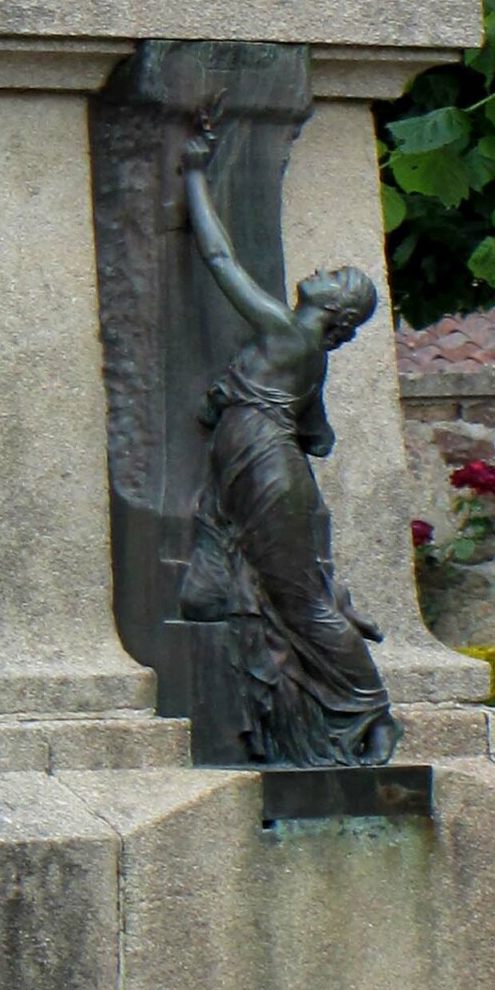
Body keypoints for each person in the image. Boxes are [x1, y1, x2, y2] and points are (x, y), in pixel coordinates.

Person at [180, 117, 400, 768]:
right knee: (280, 596)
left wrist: (193, 174)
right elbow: (321, 436)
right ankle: (322, 710)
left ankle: (372, 711)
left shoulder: (286, 330)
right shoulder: (307, 353)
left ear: (333, 312)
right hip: (262, 469)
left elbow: (219, 260)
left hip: (265, 473)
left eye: (335, 276)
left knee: (301, 603)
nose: (322, 271)